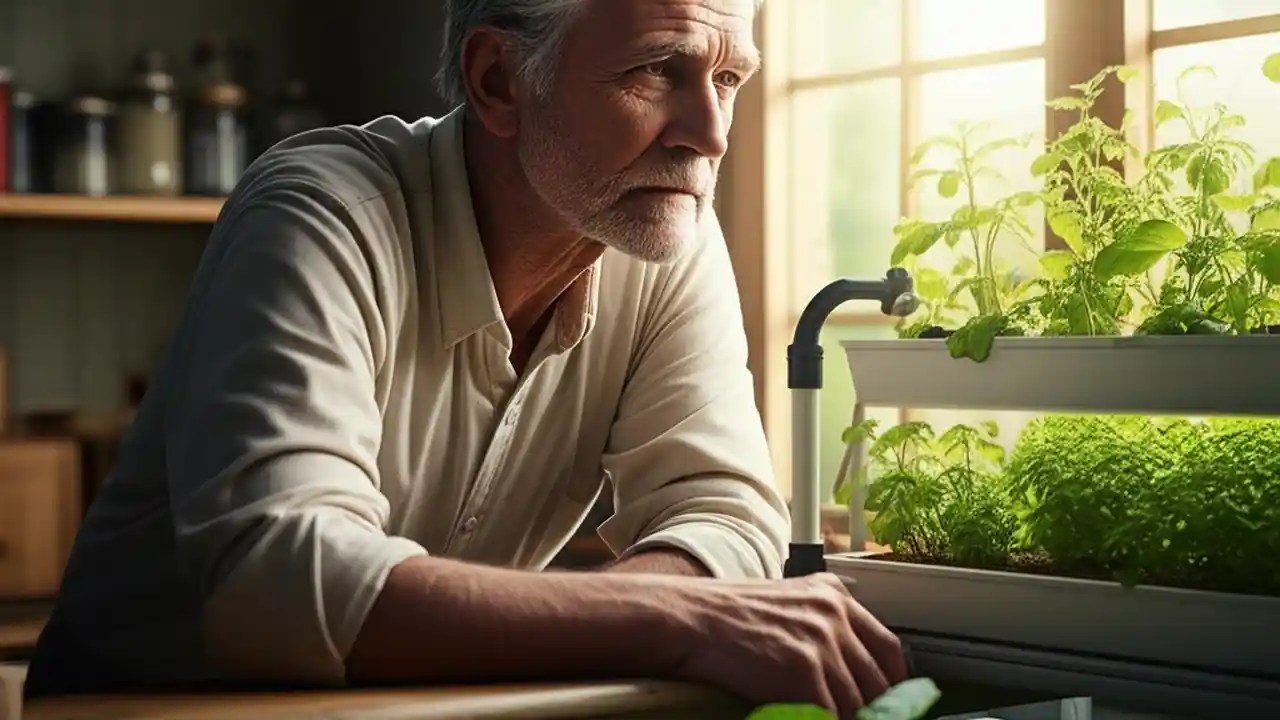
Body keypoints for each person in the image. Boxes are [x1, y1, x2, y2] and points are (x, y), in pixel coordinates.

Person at [25, 0, 907, 716]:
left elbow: (729, 516)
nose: (710, 135)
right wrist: (673, 613)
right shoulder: (321, 214)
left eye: (727, 78)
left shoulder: (664, 234)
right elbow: (282, 581)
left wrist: (668, 613)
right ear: (498, 80)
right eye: (654, 70)